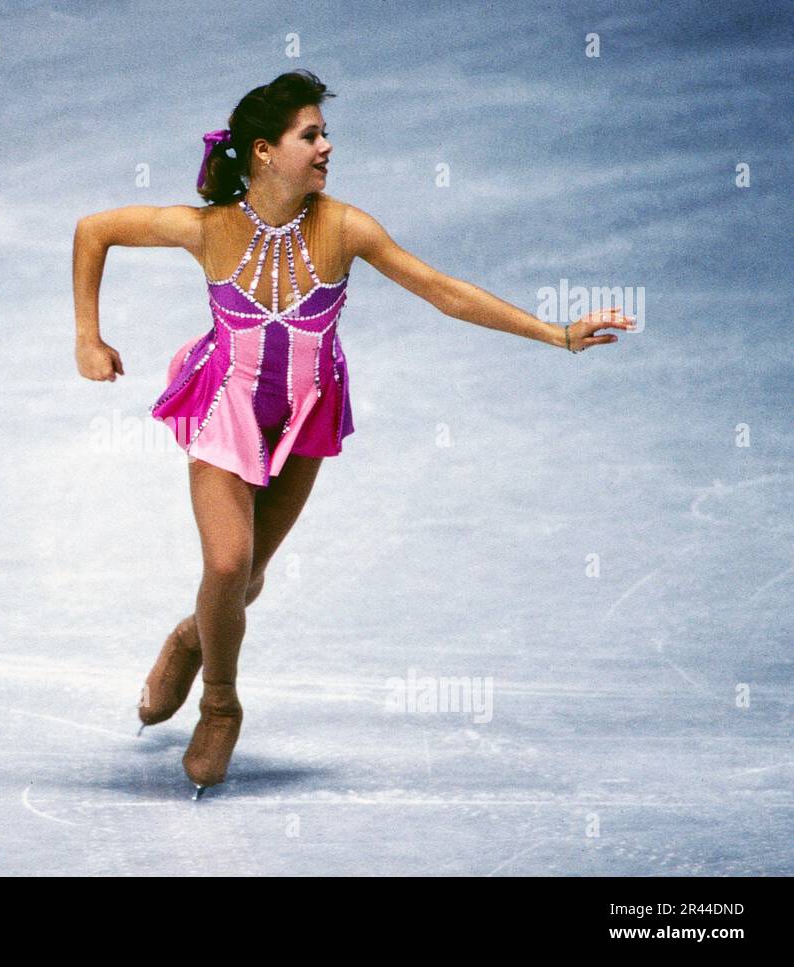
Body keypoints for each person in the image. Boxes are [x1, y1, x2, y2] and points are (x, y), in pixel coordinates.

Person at [71, 69, 633, 799]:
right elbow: (95, 230)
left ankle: (187, 637)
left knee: (249, 579)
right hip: (225, 410)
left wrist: (555, 333)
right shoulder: (208, 230)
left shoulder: (344, 229)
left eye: (326, 133)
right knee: (228, 561)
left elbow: (443, 291)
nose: (328, 146)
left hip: (303, 416)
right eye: (312, 134)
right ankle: (221, 701)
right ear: (266, 152)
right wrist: (89, 337)